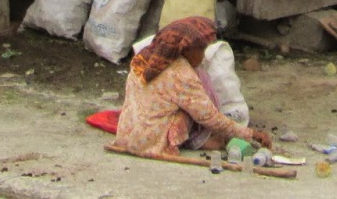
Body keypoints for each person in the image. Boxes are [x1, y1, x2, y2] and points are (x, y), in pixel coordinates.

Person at [113, 16, 271, 158]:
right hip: (150, 143)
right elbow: (209, 117)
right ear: (185, 49)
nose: (203, 56)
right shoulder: (182, 74)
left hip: (126, 137)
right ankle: (199, 141)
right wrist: (251, 134)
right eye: (201, 50)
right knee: (195, 104)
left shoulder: (142, 59)